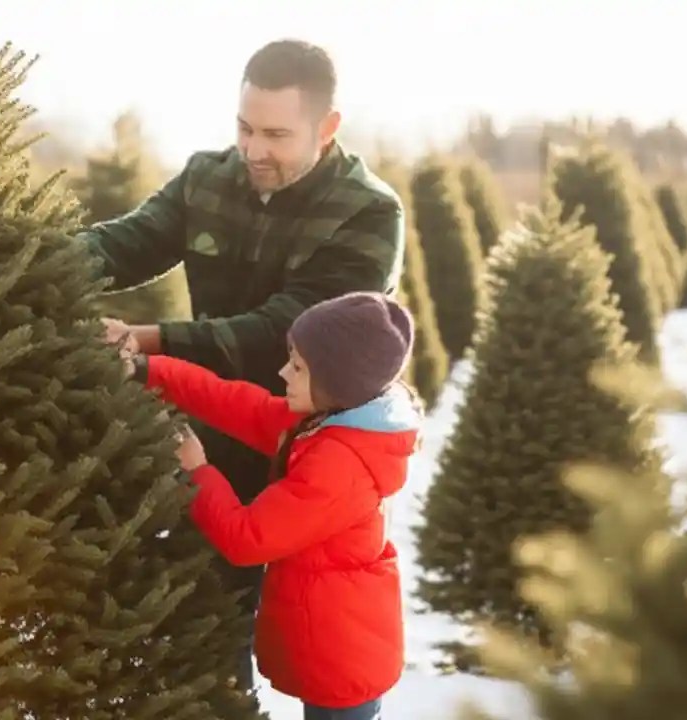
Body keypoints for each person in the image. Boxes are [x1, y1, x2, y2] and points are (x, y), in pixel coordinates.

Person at [79, 38, 406, 692]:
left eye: (277, 134)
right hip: (214, 419)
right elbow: (127, 241)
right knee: (206, 610)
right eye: (245, 127)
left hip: (308, 443)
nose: (254, 149)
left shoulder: (369, 213)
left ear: (328, 127)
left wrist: (148, 340)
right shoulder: (208, 177)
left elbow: (280, 329)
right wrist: (14, 264)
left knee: (320, 629)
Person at [123, 291, 420, 720]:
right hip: (330, 636)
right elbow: (239, 404)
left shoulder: (339, 465)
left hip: (340, 654)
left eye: (298, 367)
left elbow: (248, 538)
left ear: (337, 384)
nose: (283, 373)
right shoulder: (329, 421)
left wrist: (198, 469)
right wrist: (151, 370)